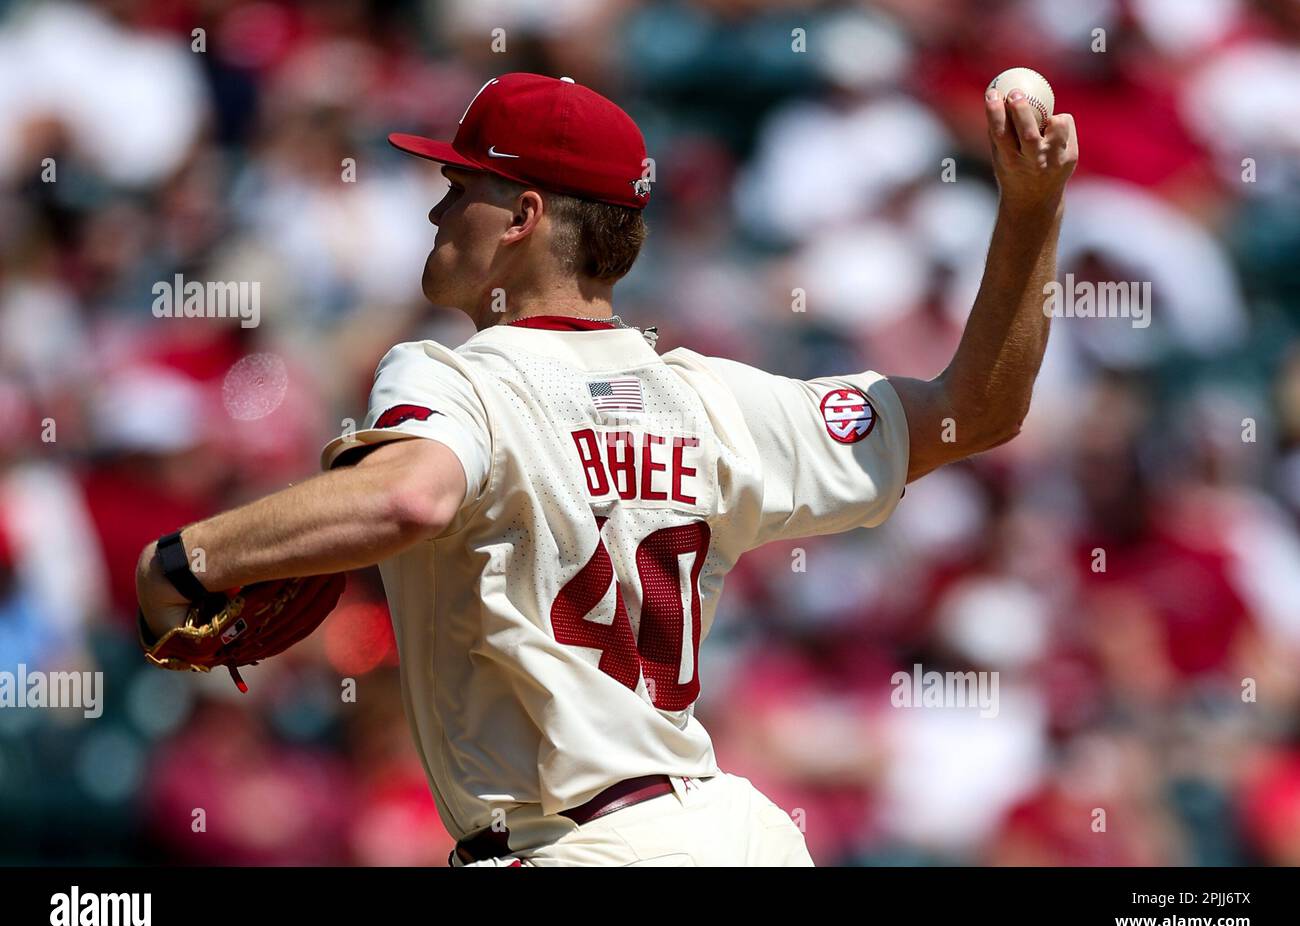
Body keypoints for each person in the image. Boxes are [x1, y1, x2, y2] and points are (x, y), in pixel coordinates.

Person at [136, 72, 1078, 866]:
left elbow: (412, 495)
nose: (435, 205)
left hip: (576, 848)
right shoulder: (713, 400)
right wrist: (1033, 215)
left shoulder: (453, 375)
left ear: (524, 216)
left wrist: (189, 557)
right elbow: (977, 411)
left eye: (460, 183)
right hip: (733, 837)